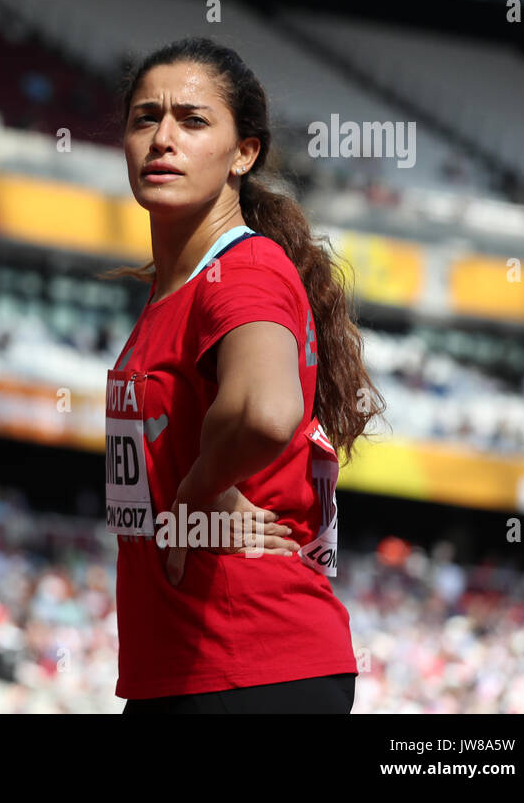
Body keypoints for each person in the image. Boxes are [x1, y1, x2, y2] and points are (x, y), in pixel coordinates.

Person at [104, 36, 385, 713]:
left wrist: (198, 495)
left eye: (193, 121)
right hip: (189, 671)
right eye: (146, 118)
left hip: (250, 665)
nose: (163, 138)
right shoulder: (181, 287)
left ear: (244, 153)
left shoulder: (244, 271)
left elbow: (265, 410)